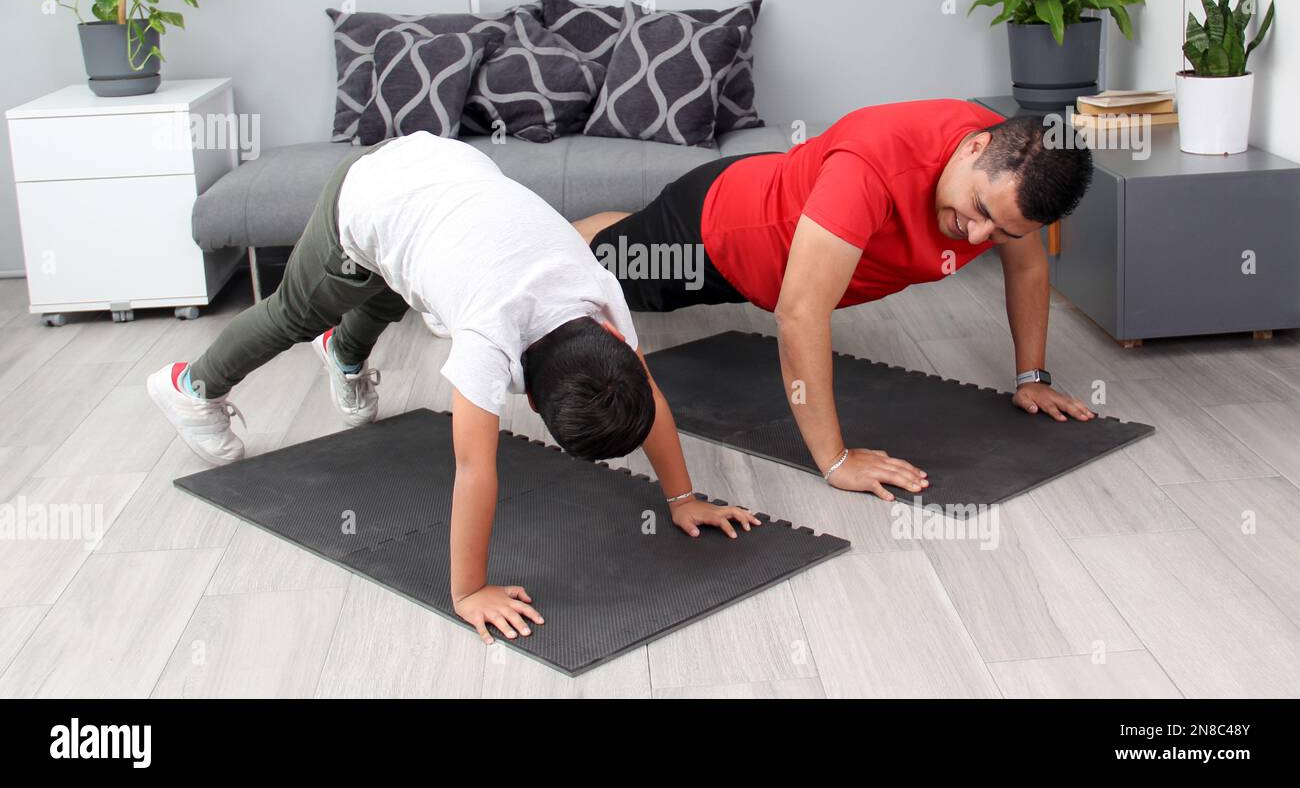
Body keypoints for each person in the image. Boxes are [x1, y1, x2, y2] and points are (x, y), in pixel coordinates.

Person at [149, 132, 758, 644]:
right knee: (297, 311)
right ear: (530, 399)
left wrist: (683, 499)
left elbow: (646, 395)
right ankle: (191, 386)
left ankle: (343, 351)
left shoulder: (597, 294)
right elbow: (473, 469)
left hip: (448, 182)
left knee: (394, 284)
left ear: (615, 340)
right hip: (371, 193)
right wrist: (469, 590)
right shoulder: (489, 338)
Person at [575, 99, 1096, 502]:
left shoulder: (1017, 163)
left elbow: (1027, 265)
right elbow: (800, 315)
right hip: (714, 234)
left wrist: (1032, 377)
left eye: (1001, 230)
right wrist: (836, 460)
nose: (978, 237)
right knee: (600, 266)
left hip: (779, 203)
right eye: (977, 209)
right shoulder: (871, 167)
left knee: (623, 239)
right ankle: (547, 235)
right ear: (973, 148)